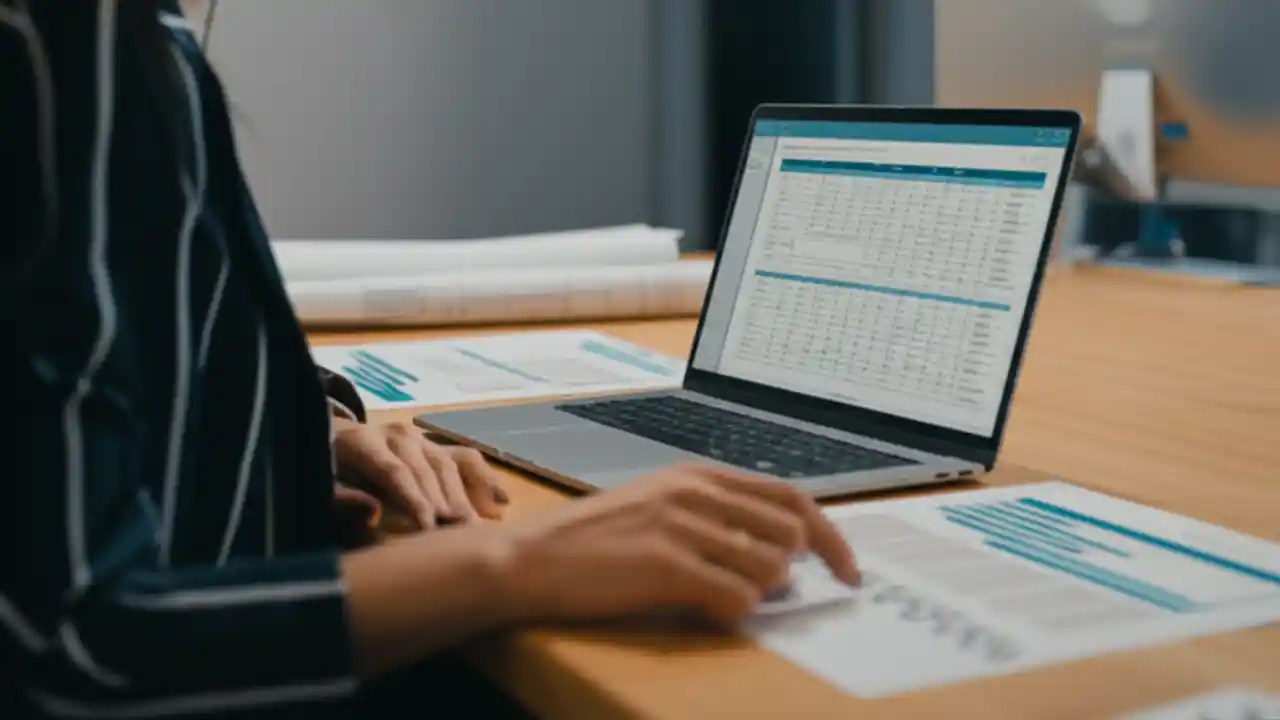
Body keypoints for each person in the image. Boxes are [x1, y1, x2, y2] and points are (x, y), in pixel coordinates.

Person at [0, 1, 861, 717]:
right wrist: (525, 561)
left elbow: (116, 340)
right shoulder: (59, 45)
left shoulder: (130, 36)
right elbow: (72, 648)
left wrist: (308, 432)